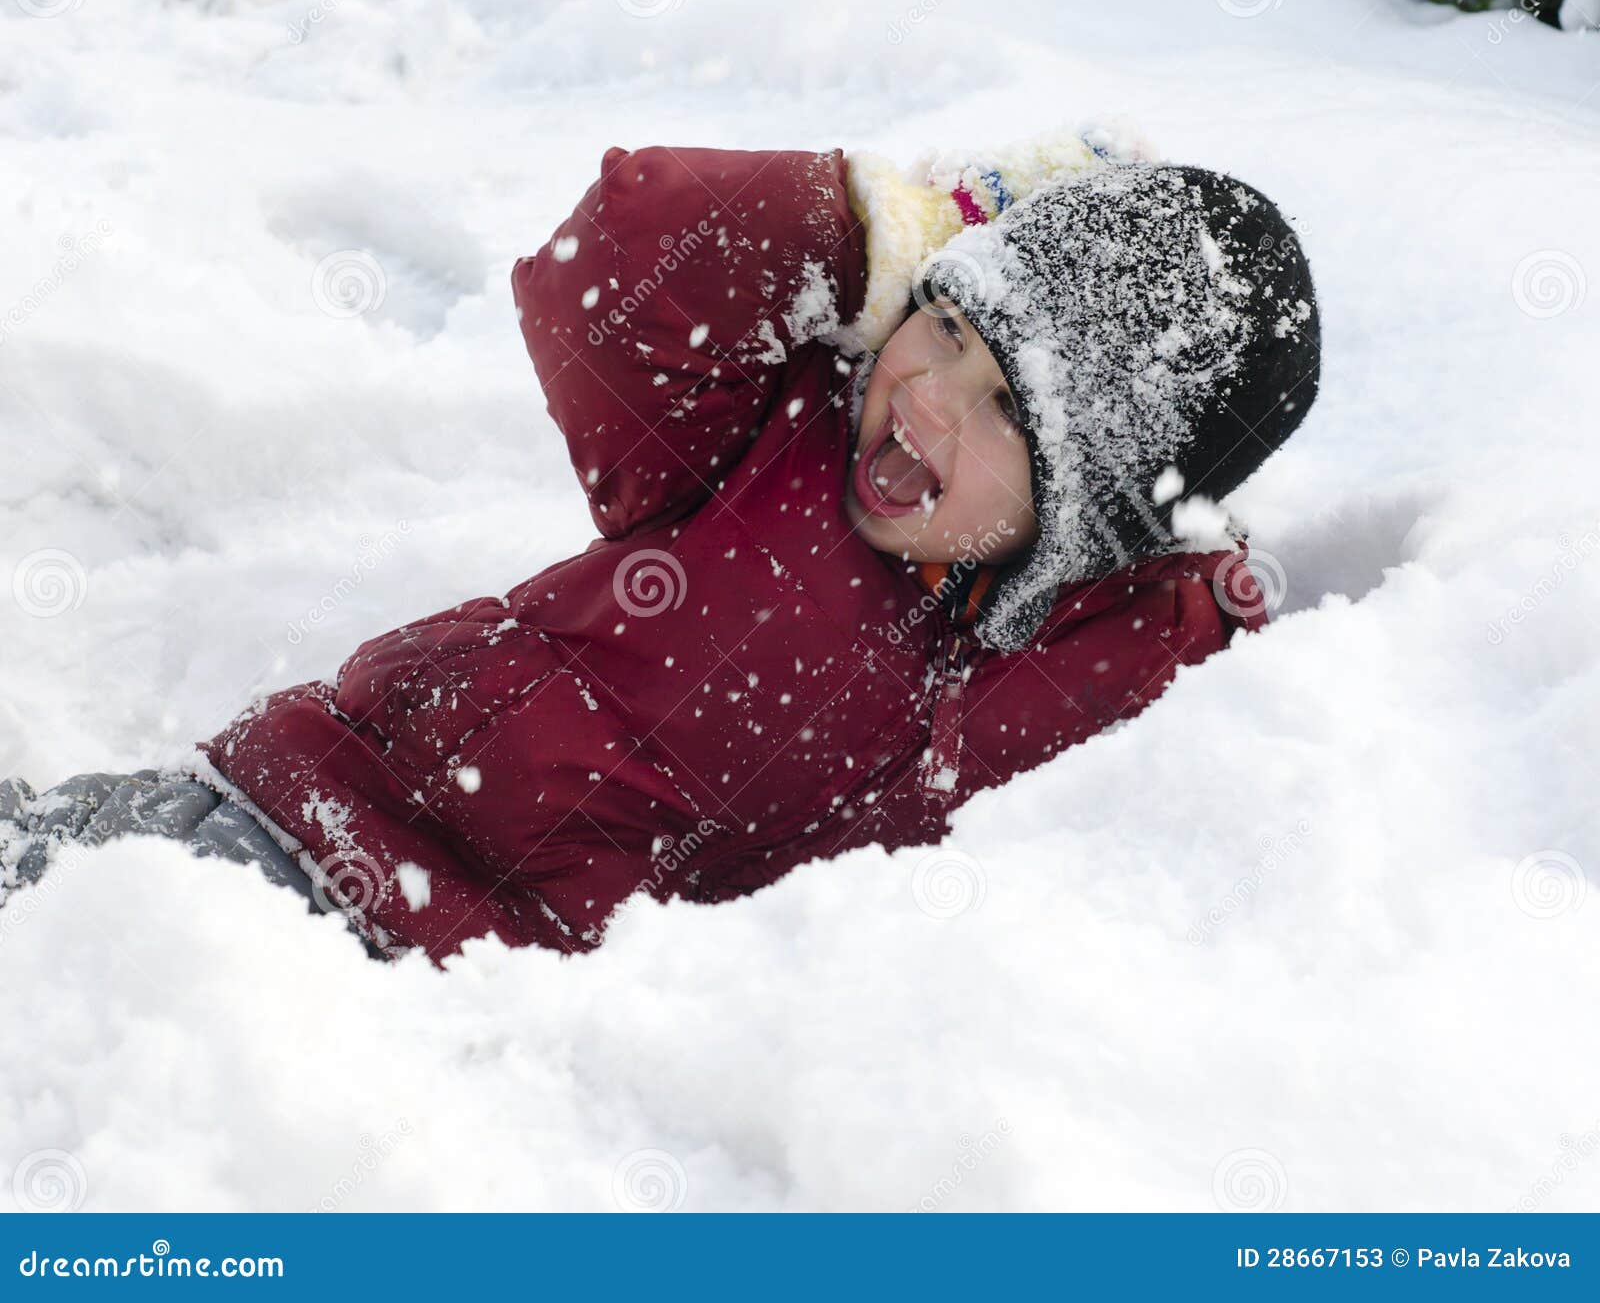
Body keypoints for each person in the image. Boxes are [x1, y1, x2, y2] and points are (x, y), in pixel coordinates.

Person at [0, 130, 1320, 965]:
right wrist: (878, 223)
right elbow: (611, 273)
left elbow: (1203, 661)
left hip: (461, 1005)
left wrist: (1205, 576)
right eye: (945, 327)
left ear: (1090, 519)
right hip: (296, 810)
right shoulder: (778, 433)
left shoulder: (1059, 653)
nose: (926, 396)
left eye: (1005, 414)